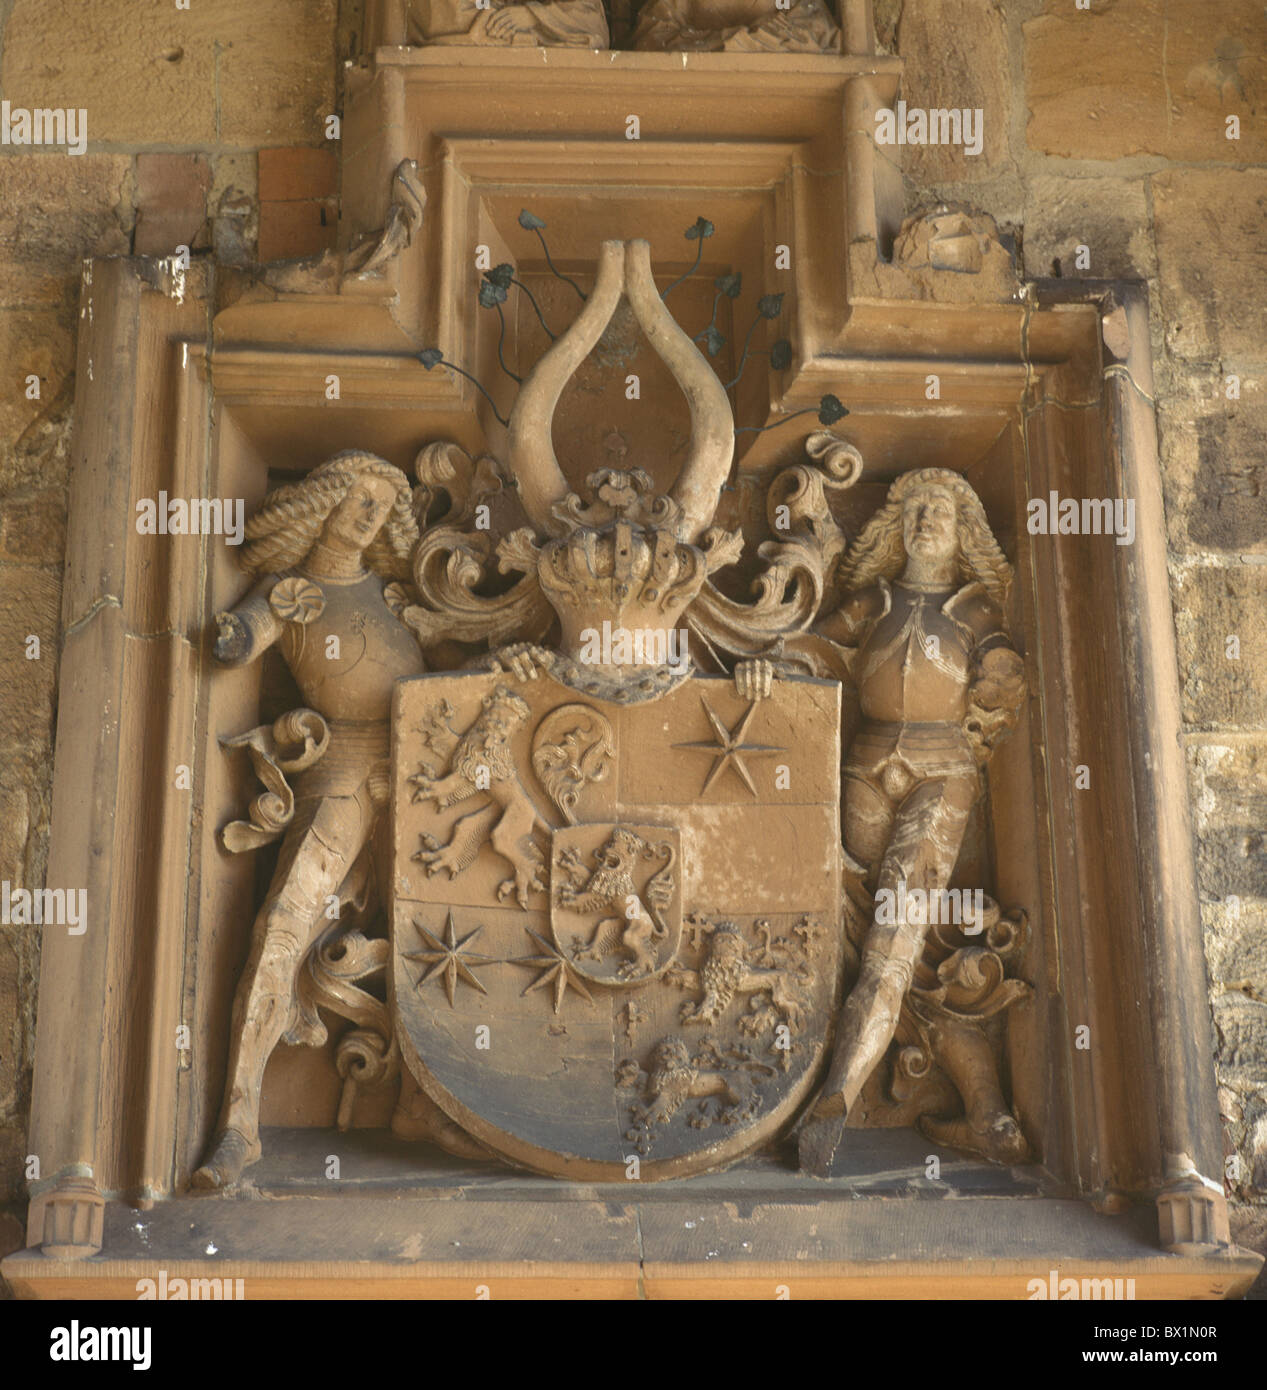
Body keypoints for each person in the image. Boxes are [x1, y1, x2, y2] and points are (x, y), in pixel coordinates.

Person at [742, 468, 1027, 1176]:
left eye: (942, 510)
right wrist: (765, 666)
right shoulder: (875, 599)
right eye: (915, 507)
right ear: (895, 525)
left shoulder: (974, 611)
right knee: (863, 925)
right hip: (863, 769)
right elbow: (818, 649)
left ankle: (834, 1097)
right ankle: (984, 1113)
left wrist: (997, 672)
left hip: (940, 772)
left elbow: (1001, 677)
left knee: (895, 939)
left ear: (965, 534)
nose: (926, 518)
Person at [194, 452, 430, 1189]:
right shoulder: (294, 591)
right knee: (282, 927)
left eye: (382, 505)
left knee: (439, 940)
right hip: (343, 780)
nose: (369, 514)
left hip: (426, 781)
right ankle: (238, 1124)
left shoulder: (397, 594)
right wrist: (242, 628)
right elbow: (239, 636)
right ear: (323, 501)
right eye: (359, 497)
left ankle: (435, 1107)